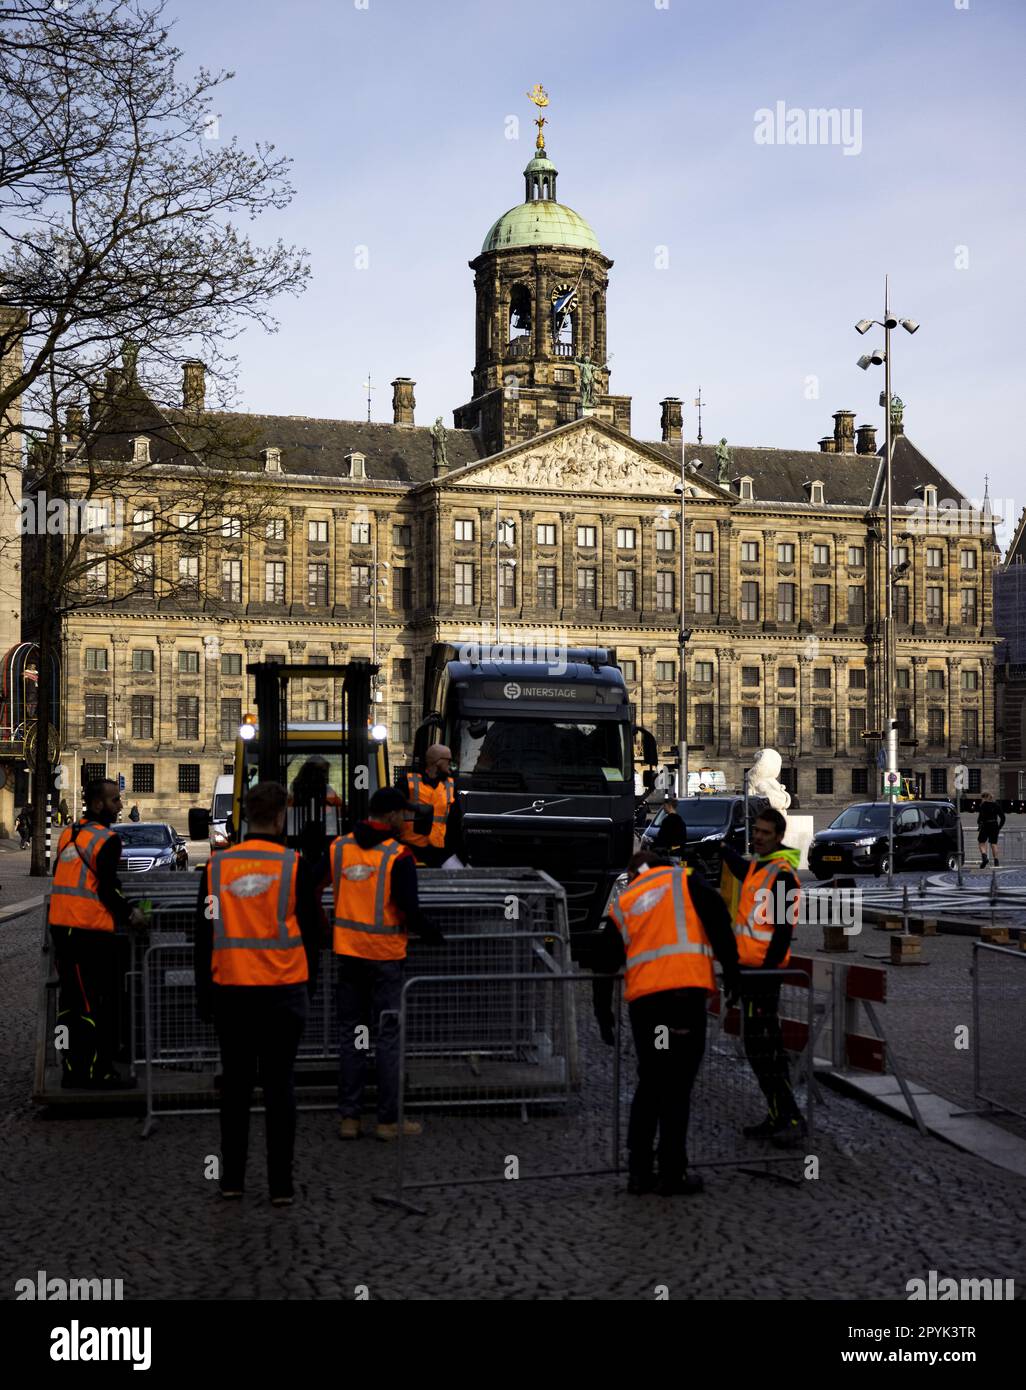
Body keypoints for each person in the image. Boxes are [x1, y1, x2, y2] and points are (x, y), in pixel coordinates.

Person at [194, 781, 324, 1207]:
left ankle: (231, 1180)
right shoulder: (294, 865)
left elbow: (204, 934)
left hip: (231, 991)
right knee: (279, 1087)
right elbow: (311, 932)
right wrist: (311, 985)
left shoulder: (217, 868)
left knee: (235, 1088)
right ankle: (281, 1186)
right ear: (282, 816)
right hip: (283, 992)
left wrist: (204, 994)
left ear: (246, 816)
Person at [593, 850, 739, 1196]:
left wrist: (603, 1013)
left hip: (647, 1009)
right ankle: (673, 1171)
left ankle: (639, 1171)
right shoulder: (685, 881)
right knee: (677, 1087)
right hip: (683, 1002)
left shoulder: (626, 902)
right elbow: (719, 918)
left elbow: (603, 962)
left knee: (651, 1082)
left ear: (634, 875)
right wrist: (732, 972)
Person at [331, 786, 442, 1141]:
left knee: (352, 1037)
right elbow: (410, 909)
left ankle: (349, 1119)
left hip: (348, 957)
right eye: (402, 814)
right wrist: (433, 934)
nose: (406, 819)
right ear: (392, 816)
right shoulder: (399, 856)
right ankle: (387, 1121)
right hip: (385, 959)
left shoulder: (340, 848)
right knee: (388, 1039)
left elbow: (310, 885)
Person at [48, 778, 148, 1088]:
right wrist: (131, 912)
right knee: (97, 1002)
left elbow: (60, 876)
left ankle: (72, 1068)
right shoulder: (106, 839)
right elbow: (106, 888)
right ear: (97, 805)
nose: (120, 806)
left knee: (73, 1001)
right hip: (88, 930)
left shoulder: (69, 833)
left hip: (62, 927)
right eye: (115, 800)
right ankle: (97, 1072)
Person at [720, 807, 804, 1147]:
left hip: (764, 975)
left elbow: (783, 932)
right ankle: (777, 1114)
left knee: (764, 1051)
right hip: (749, 971)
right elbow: (742, 869)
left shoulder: (781, 875)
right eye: (756, 830)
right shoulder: (760, 867)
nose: (757, 836)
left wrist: (766, 973)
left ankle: (791, 1116)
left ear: (779, 838)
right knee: (761, 1049)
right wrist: (722, 849)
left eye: (765, 833)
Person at [400, 742, 454, 867]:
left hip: (440, 852)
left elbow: (454, 822)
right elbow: (393, 809)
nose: (450, 765)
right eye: (448, 760)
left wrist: (460, 854)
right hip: (411, 849)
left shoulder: (450, 785)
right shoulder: (407, 782)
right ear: (438, 762)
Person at [977, 792, 1006, 869]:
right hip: (994, 825)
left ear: (985, 797)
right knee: (994, 844)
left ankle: (984, 858)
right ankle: (996, 862)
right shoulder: (996, 805)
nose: (982, 799)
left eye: (983, 797)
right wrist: (999, 827)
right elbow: (1003, 818)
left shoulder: (982, 805)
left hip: (985, 825)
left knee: (981, 842)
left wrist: (979, 824)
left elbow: (980, 819)